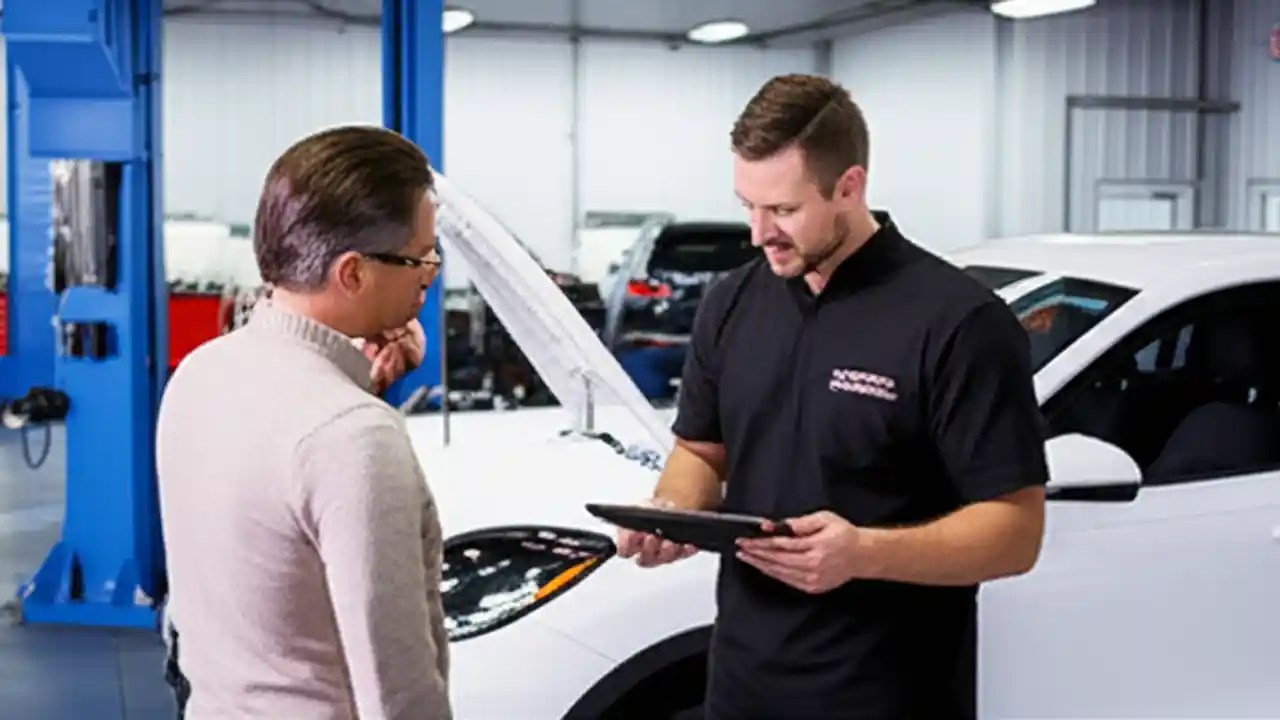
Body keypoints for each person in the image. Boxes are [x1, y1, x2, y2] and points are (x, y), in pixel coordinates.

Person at [617, 74, 1049, 719]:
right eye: (748, 206)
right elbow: (702, 451)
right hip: (742, 687)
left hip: (888, 694)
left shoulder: (957, 322)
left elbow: (1016, 533)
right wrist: (673, 513)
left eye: (784, 211)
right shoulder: (732, 302)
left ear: (850, 186)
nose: (760, 233)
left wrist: (863, 553)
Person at [156, 125, 452, 720]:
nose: (429, 274)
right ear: (352, 274)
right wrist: (357, 404)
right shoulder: (354, 436)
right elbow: (395, 690)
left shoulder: (198, 374)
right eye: (420, 256)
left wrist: (357, 381)